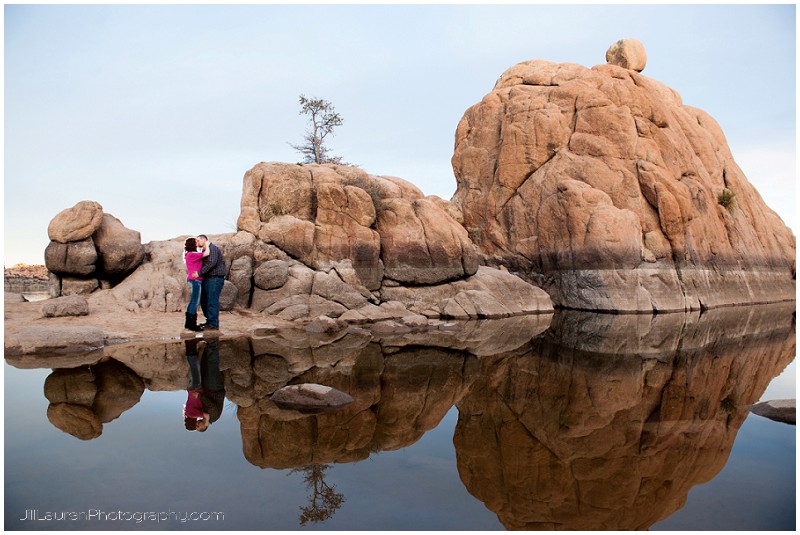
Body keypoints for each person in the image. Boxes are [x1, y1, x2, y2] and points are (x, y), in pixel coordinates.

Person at [194, 234, 226, 331]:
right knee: (204, 300)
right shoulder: (205, 250)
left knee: (212, 301)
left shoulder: (213, 248)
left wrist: (199, 273)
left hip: (215, 278)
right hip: (207, 279)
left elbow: (211, 263)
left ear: (204, 239)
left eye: (198, 240)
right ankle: (209, 321)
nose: (197, 243)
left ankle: (213, 324)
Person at [183, 237, 208, 332]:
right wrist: (207, 244)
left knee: (192, 302)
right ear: (193, 244)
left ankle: (188, 323)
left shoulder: (190, 254)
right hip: (195, 280)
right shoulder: (193, 254)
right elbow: (207, 253)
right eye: (196, 241)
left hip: (193, 280)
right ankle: (192, 325)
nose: (197, 242)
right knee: (195, 302)